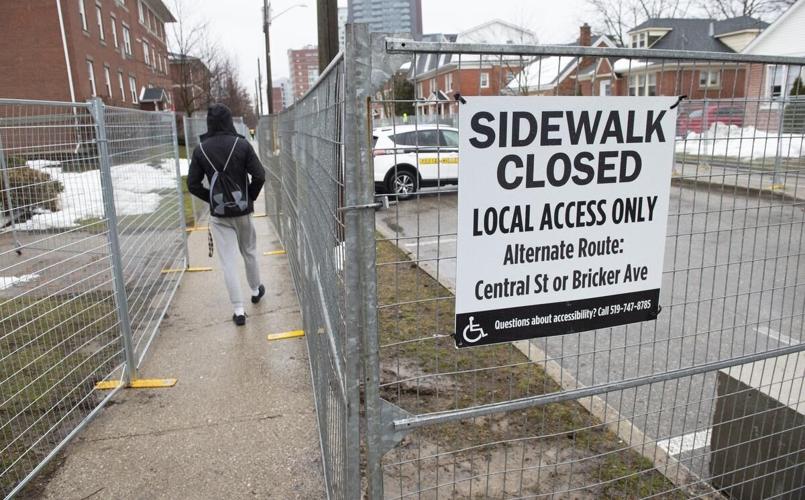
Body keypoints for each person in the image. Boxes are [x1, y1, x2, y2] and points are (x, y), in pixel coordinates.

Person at [187, 104, 266, 326]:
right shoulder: (242, 145)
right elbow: (259, 175)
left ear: (209, 123)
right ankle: (255, 290)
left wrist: (212, 200)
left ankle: (239, 311)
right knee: (249, 251)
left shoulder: (201, 150)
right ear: (230, 121)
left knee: (228, 262)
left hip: (220, 216)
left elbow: (192, 184)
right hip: (243, 211)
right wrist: (249, 198)